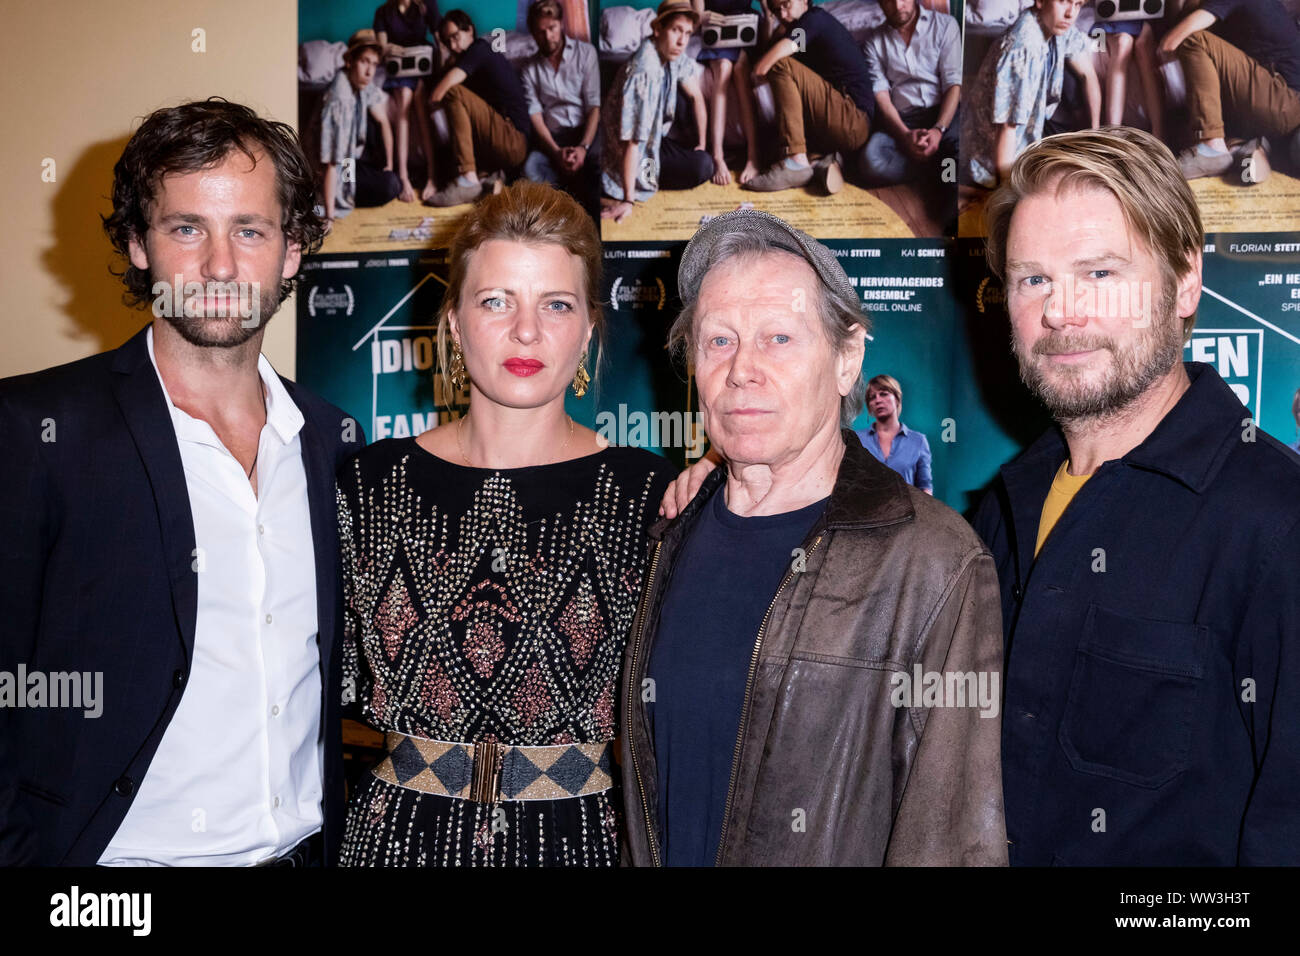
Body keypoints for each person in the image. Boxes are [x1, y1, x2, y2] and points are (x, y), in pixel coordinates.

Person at [0, 99, 363, 866]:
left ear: (293, 250)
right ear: (138, 244)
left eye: (251, 231)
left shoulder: (332, 444)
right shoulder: (35, 430)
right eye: (187, 228)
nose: (222, 266)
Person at [619, 209, 1007, 866]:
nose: (743, 369)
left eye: (778, 338)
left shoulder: (934, 561)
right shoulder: (667, 532)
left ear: (847, 357)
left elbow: (953, 840)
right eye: (718, 340)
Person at [974, 126, 1300, 865]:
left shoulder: (1278, 524)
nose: (1061, 313)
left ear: (1186, 282)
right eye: (1033, 280)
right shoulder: (1001, 510)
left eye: (1099, 274)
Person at [336, 181, 678, 867]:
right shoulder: (367, 485)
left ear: (587, 328)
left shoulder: (652, 494)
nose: (527, 331)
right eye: (497, 301)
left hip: (580, 843)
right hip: (397, 842)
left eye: (556, 304)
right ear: (456, 325)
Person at [962, 0, 1100, 188]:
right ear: (1040, 1)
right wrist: (1005, 195)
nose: (1070, 13)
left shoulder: (1057, 25)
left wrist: (1095, 134)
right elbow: (1007, 130)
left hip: (1030, 135)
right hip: (990, 158)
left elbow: (1088, 75)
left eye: (1078, 4)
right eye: (1063, 2)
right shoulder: (1023, 46)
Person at [1159, 0, 1300, 182]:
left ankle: (1212, 147)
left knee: (1194, 39)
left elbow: (1170, 43)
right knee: (1181, 123)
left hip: (1286, 101)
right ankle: (1241, 147)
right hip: (1267, 106)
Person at [743, 0, 876, 193]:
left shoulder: (813, 19)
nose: (782, 13)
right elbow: (768, 49)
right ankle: (822, 161)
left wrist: (757, 71)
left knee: (780, 65)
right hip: (835, 124)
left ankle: (797, 162)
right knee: (770, 148)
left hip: (853, 118)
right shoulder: (800, 32)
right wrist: (768, 18)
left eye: (786, 4)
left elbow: (766, 64)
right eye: (776, 9)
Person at [601, 0, 712, 224]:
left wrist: (702, 142)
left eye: (687, 33)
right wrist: (628, 200)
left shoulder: (673, 53)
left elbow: (697, 96)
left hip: (654, 139)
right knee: (702, 166)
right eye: (676, 30)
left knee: (687, 103)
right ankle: (629, 187)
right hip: (631, 154)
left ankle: (687, 155)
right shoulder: (645, 71)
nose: (682, 41)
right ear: (657, 28)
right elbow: (631, 143)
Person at [427, 9, 530, 207]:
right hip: (501, 147)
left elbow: (439, 93)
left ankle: (469, 179)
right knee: (447, 165)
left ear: (470, 31)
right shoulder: (467, 63)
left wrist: (432, 100)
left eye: (456, 37)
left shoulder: (479, 49)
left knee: (453, 92)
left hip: (514, 139)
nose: (454, 46)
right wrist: (442, 51)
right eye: (448, 42)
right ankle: (489, 180)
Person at [857, 0, 961, 190]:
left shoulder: (945, 25)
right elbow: (882, 96)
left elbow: (953, 84)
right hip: (904, 119)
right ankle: (933, 166)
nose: (898, 6)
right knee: (870, 160)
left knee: (958, 148)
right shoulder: (874, 42)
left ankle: (934, 164)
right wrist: (905, 135)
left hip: (943, 114)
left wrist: (938, 130)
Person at [519, 0, 602, 217]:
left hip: (585, 134)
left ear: (561, 24)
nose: (548, 37)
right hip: (552, 138)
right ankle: (559, 217)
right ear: (533, 33)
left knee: (599, 165)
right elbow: (535, 115)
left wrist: (583, 147)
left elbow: (594, 106)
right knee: (531, 169)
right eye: (540, 31)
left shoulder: (586, 53)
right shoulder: (529, 69)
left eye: (552, 28)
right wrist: (555, 152)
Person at [319, 29, 402, 227]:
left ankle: (374, 179)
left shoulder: (363, 85)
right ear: (350, 62)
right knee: (390, 185)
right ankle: (329, 200)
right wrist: (329, 216)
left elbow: (383, 121)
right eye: (364, 61)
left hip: (352, 161)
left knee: (376, 123)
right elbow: (332, 162)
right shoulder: (341, 99)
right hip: (340, 168)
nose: (369, 71)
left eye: (374, 64)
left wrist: (390, 163)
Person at [373, 0, 442, 202]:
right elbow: (381, 48)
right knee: (404, 96)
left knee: (420, 103)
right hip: (399, 68)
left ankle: (432, 175)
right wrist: (389, 48)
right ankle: (403, 176)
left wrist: (443, 67)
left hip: (422, 66)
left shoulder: (428, 4)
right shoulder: (383, 12)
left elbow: (440, 40)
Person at [691, 0, 763, 186]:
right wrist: (702, 17)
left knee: (741, 70)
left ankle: (753, 156)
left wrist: (767, 16)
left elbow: (769, 12)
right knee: (723, 69)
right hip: (716, 34)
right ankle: (717, 156)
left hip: (744, 31)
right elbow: (694, 22)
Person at [855, 374, 933, 494]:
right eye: (872, 397)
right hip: (867, 511)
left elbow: (925, 488)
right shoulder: (857, 440)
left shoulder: (918, 441)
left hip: (908, 511)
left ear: (897, 398)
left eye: (883, 394)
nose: (878, 400)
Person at [1094, 14, 1164, 142]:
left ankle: (1159, 132)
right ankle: (1112, 132)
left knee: (1143, 45)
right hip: (1102, 19)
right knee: (1122, 42)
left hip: (1137, 16)